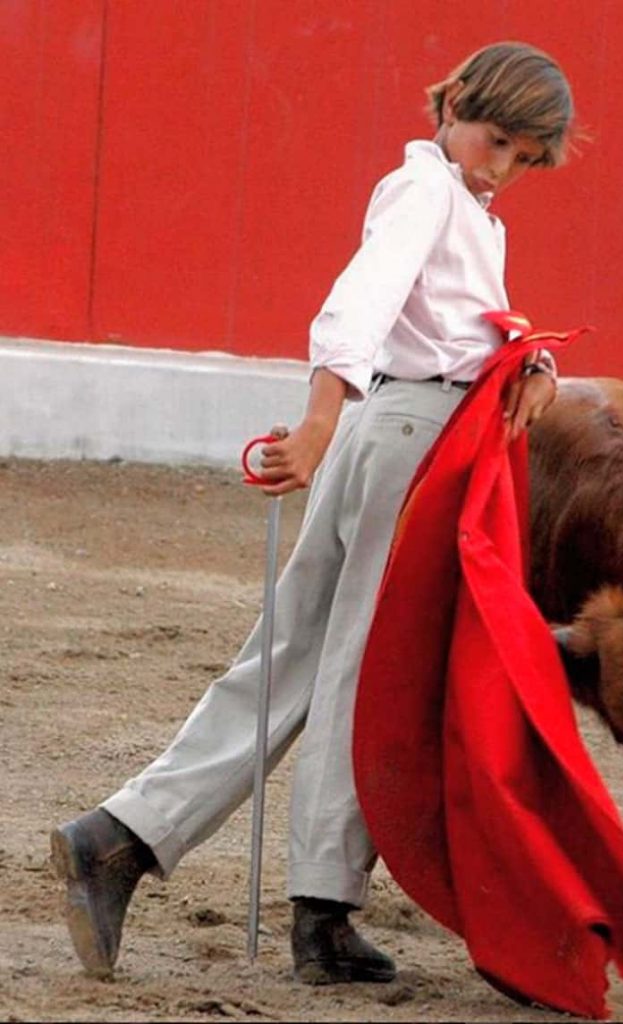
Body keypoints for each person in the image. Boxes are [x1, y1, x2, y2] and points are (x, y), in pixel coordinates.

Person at [51, 40, 575, 986]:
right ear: (453, 101)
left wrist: (530, 360)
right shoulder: (428, 193)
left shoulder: (455, 202)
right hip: (404, 435)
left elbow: (451, 324)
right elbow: (360, 306)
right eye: (496, 140)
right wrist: (320, 420)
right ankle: (323, 909)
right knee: (362, 665)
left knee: (293, 650)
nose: (502, 166)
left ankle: (118, 838)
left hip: (391, 425)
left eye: (523, 158)